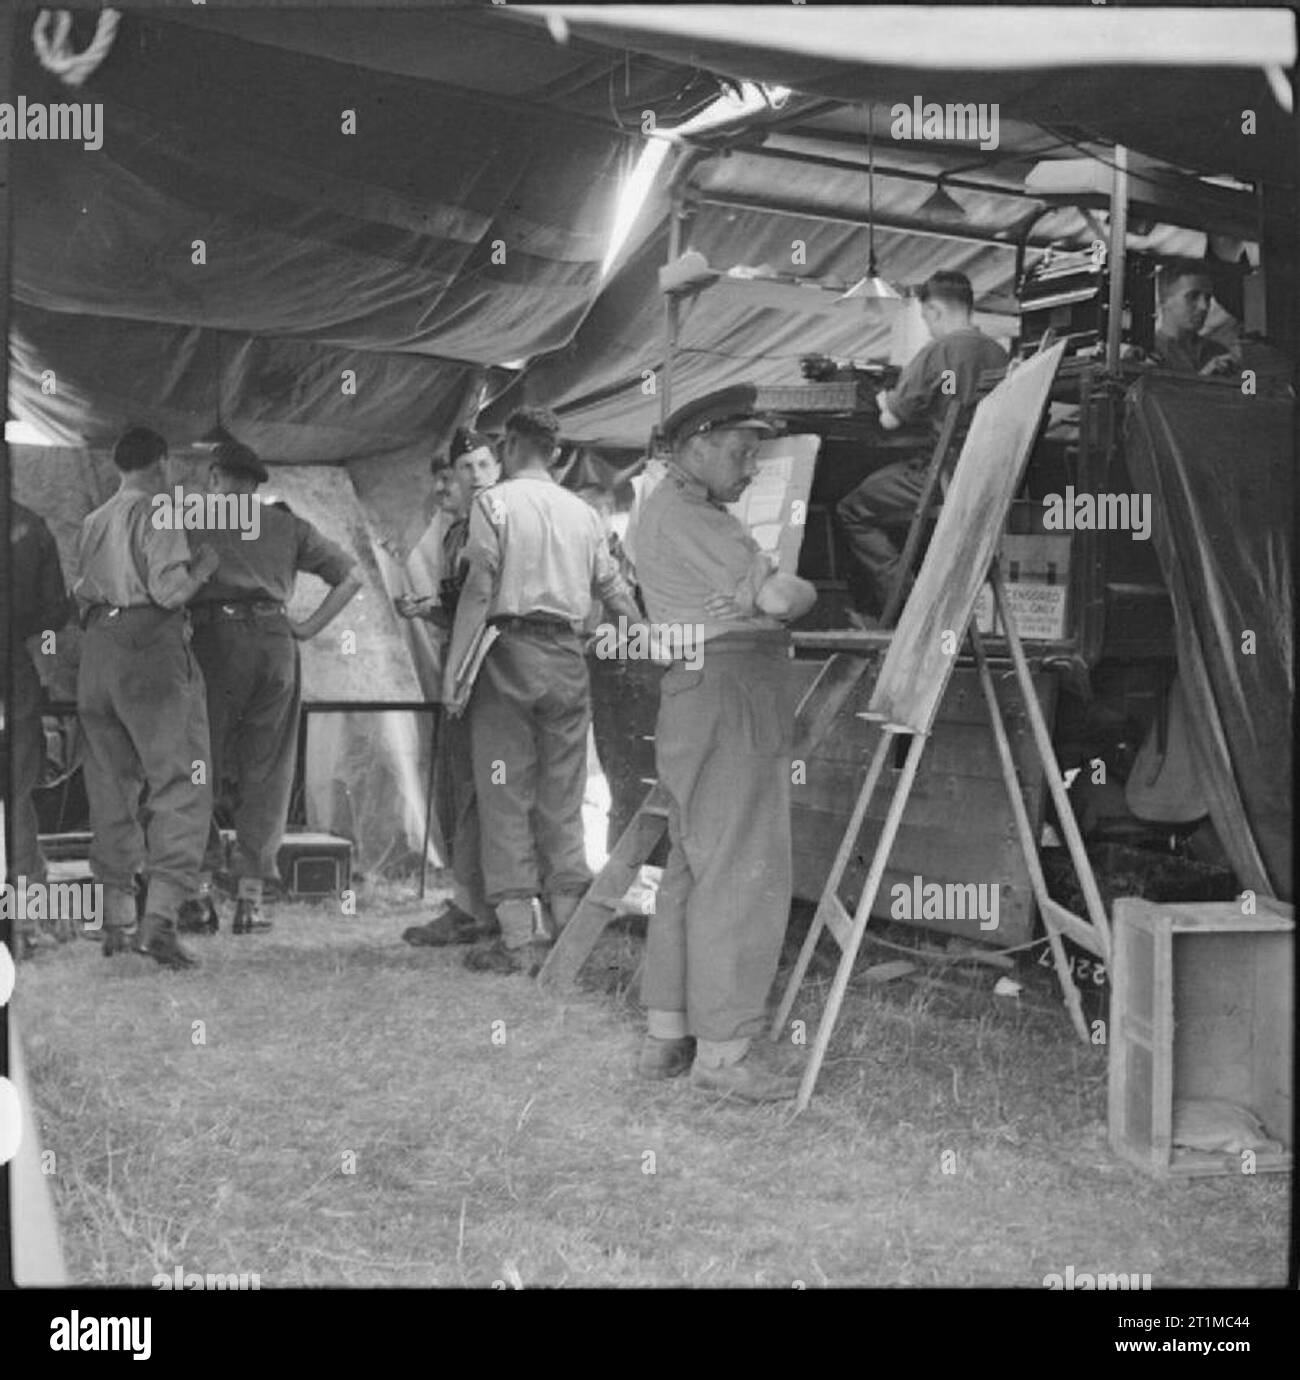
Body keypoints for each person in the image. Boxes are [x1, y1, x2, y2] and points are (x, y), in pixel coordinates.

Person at [634, 383, 819, 1102]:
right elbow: (777, 600)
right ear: (695, 447)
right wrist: (792, 590)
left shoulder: (679, 510)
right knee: (742, 869)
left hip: (700, 693)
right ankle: (723, 1056)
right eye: (741, 451)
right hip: (729, 692)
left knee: (694, 866)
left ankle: (668, 1034)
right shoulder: (691, 515)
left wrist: (766, 588)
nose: (750, 467)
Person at [444, 406, 640, 976]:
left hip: (506, 654)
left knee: (504, 789)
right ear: (556, 454)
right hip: (568, 660)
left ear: (507, 449)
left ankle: (516, 939)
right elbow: (613, 588)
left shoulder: (493, 503)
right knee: (563, 791)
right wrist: (649, 637)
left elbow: (480, 588)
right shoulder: (583, 511)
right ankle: (567, 931)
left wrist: (457, 673)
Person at [179, 439, 360, 936]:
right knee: (270, 770)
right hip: (276, 643)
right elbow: (349, 577)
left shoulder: (191, 517)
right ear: (257, 484)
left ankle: (195, 895)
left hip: (212, 644)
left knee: (197, 764)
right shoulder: (287, 524)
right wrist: (306, 628)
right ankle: (253, 900)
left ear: (215, 477)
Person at [73, 426, 218, 967]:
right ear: (161, 464)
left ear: (118, 465)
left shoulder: (93, 520)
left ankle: (116, 920)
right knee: (181, 778)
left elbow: (80, 591)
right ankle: (158, 921)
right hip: (149, 645)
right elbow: (169, 590)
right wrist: (201, 569)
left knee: (110, 784)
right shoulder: (160, 507)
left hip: (98, 650)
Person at [837, 270, 1009, 617]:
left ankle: (907, 605)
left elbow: (890, 420)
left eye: (926, 318)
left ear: (933, 311)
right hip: (990, 478)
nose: (928, 326)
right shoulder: (998, 354)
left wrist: (887, 400)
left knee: (852, 509)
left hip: (944, 477)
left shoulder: (939, 351)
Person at [398, 427, 501, 946]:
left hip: (485, 674)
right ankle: (474, 901)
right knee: (466, 789)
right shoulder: (453, 534)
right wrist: (427, 610)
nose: (447, 490)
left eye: (459, 475)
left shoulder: (494, 525)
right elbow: (458, 602)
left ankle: (477, 907)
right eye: (445, 480)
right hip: (463, 669)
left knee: (477, 790)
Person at [8, 501, 71, 958]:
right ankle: (24, 924)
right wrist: (45, 671)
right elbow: (52, 616)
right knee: (14, 796)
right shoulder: (29, 524)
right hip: (13, 670)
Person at [1147, 258, 1236, 376]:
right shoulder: (1148, 352)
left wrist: (1247, 372)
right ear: (1164, 301)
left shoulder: (1217, 352)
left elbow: (1248, 391)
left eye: (1207, 298)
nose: (1203, 306)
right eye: (1192, 296)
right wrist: (1204, 379)